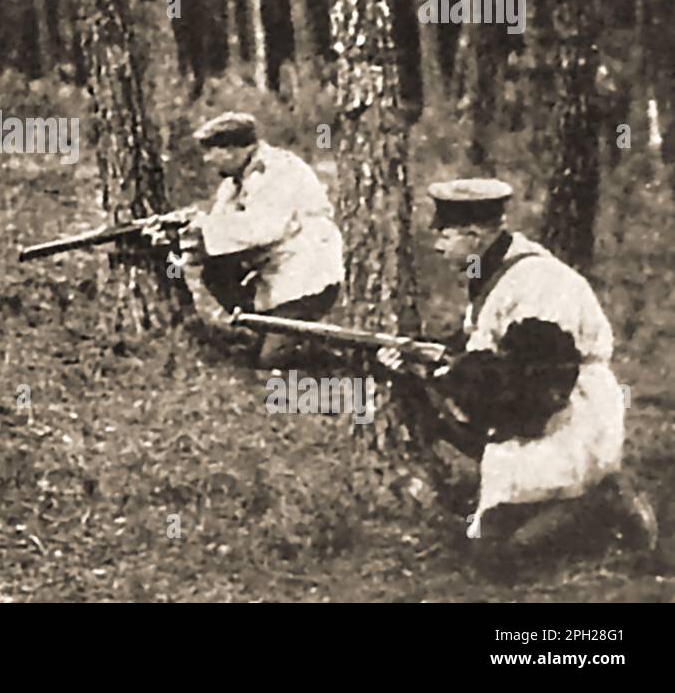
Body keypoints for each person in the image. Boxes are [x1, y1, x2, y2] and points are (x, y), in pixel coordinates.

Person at [378, 179, 657, 556]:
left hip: (569, 415)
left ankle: (606, 502)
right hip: (542, 411)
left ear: (474, 236)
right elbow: (480, 342)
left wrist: (445, 376)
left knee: (499, 553)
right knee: (489, 537)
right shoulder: (494, 270)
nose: (437, 244)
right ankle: (566, 507)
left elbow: (533, 388)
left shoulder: (536, 283)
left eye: (445, 234)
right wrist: (419, 360)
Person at [150, 112, 344, 368]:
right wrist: (178, 244)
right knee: (216, 271)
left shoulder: (279, 172)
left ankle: (336, 357)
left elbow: (263, 229)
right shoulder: (234, 182)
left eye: (212, 151)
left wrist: (201, 230)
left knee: (273, 360)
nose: (207, 160)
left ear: (233, 150)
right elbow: (218, 232)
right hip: (277, 274)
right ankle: (265, 332)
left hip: (308, 277)